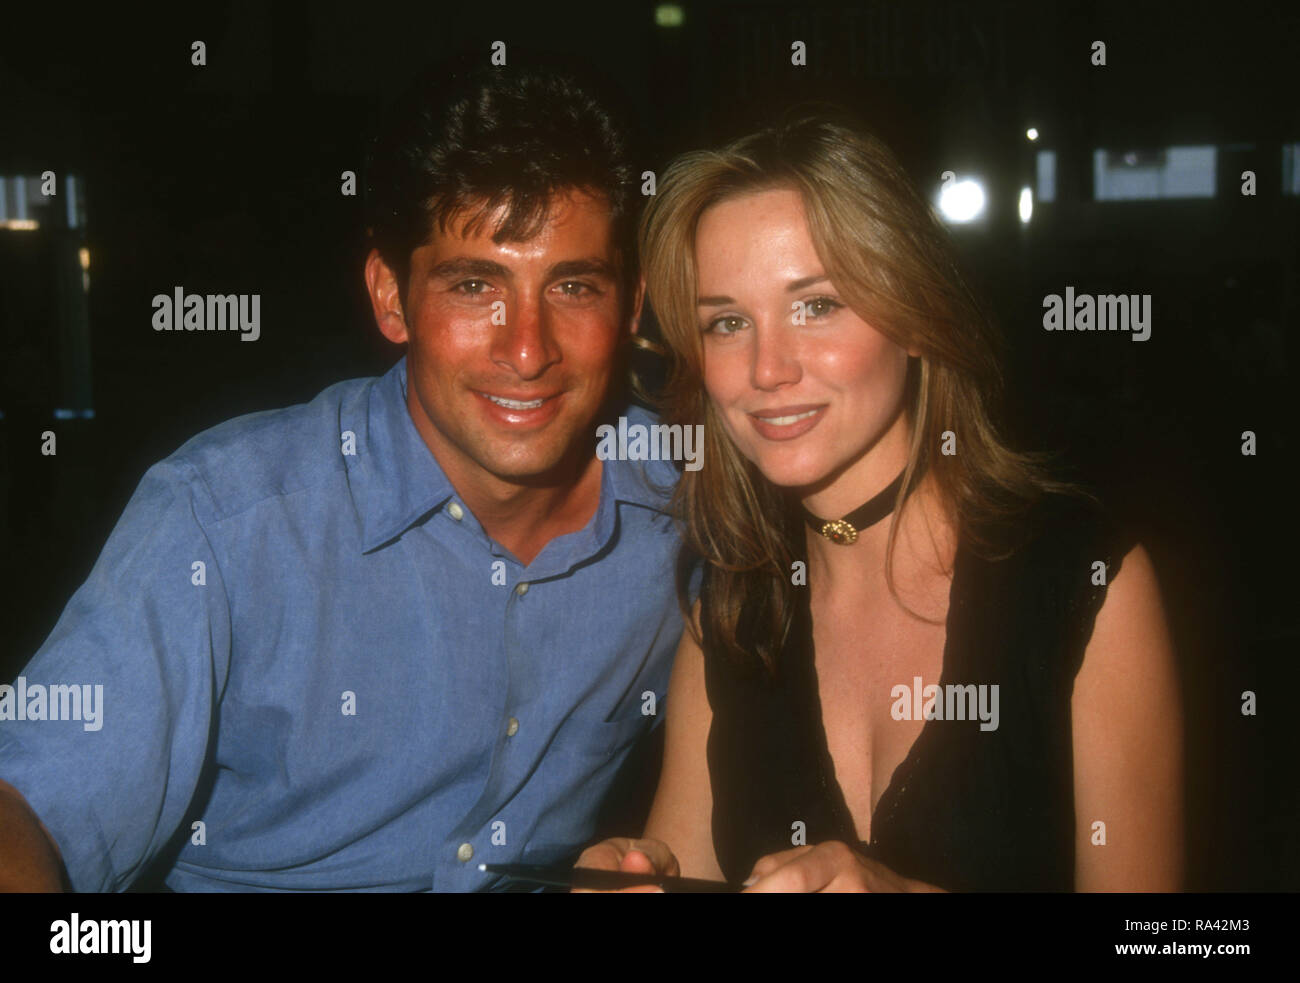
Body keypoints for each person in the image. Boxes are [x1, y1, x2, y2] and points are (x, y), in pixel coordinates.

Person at [0, 58, 684, 892]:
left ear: (633, 303)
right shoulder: (224, 515)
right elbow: (25, 804)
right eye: (475, 286)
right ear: (390, 297)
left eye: (574, 286)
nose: (528, 348)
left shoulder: (685, 501)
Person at [578, 113, 1183, 892]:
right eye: (728, 321)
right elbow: (681, 866)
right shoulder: (729, 614)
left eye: (816, 304)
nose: (767, 368)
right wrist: (636, 877)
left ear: (918, 317)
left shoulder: (1083, 582)